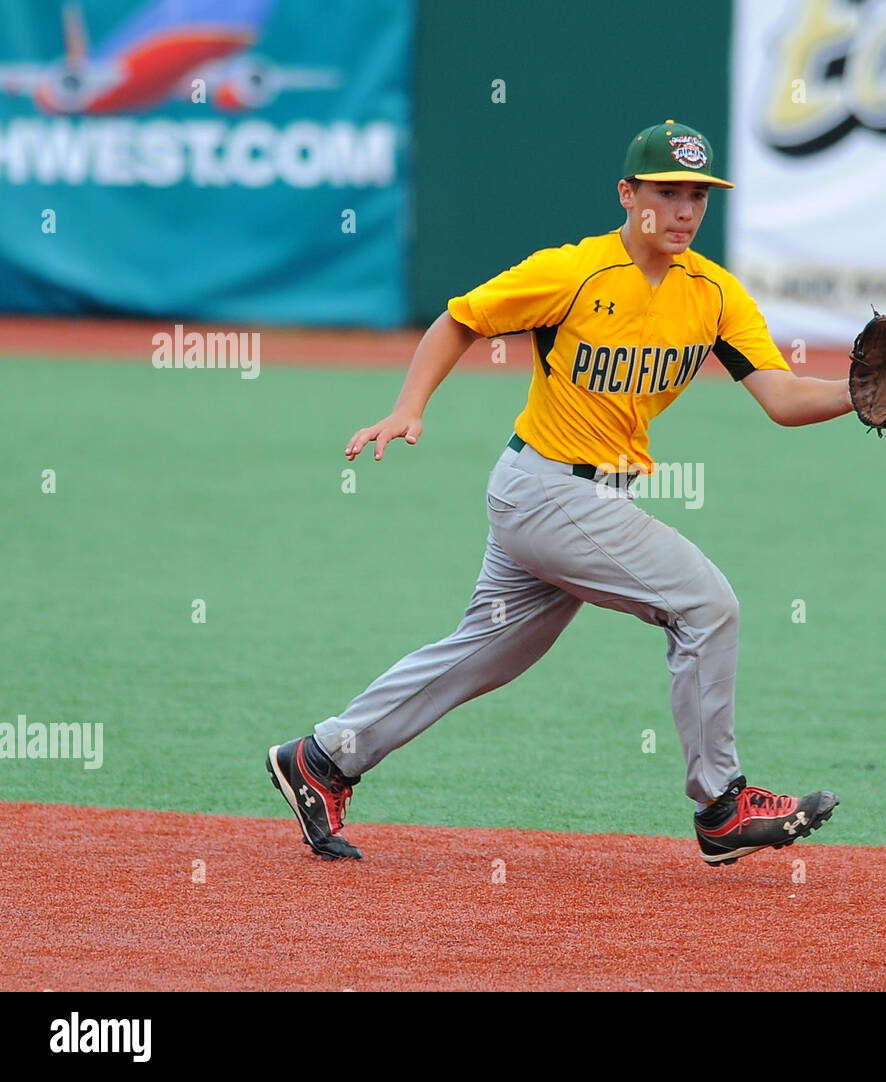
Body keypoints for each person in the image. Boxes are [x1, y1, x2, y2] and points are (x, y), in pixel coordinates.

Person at [266, 120, 851, 865]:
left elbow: (781, 396)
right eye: (667, 192)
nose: (684, 210)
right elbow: (460, 318)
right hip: (549, 493)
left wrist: (855, 394)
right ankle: (723, 804)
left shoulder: (713, 294)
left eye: (698, 195)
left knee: (483, 654)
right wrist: (410, 406)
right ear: (627, 193)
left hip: (567, 502)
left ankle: (321, 759)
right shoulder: (572, 271)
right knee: (706, 605)